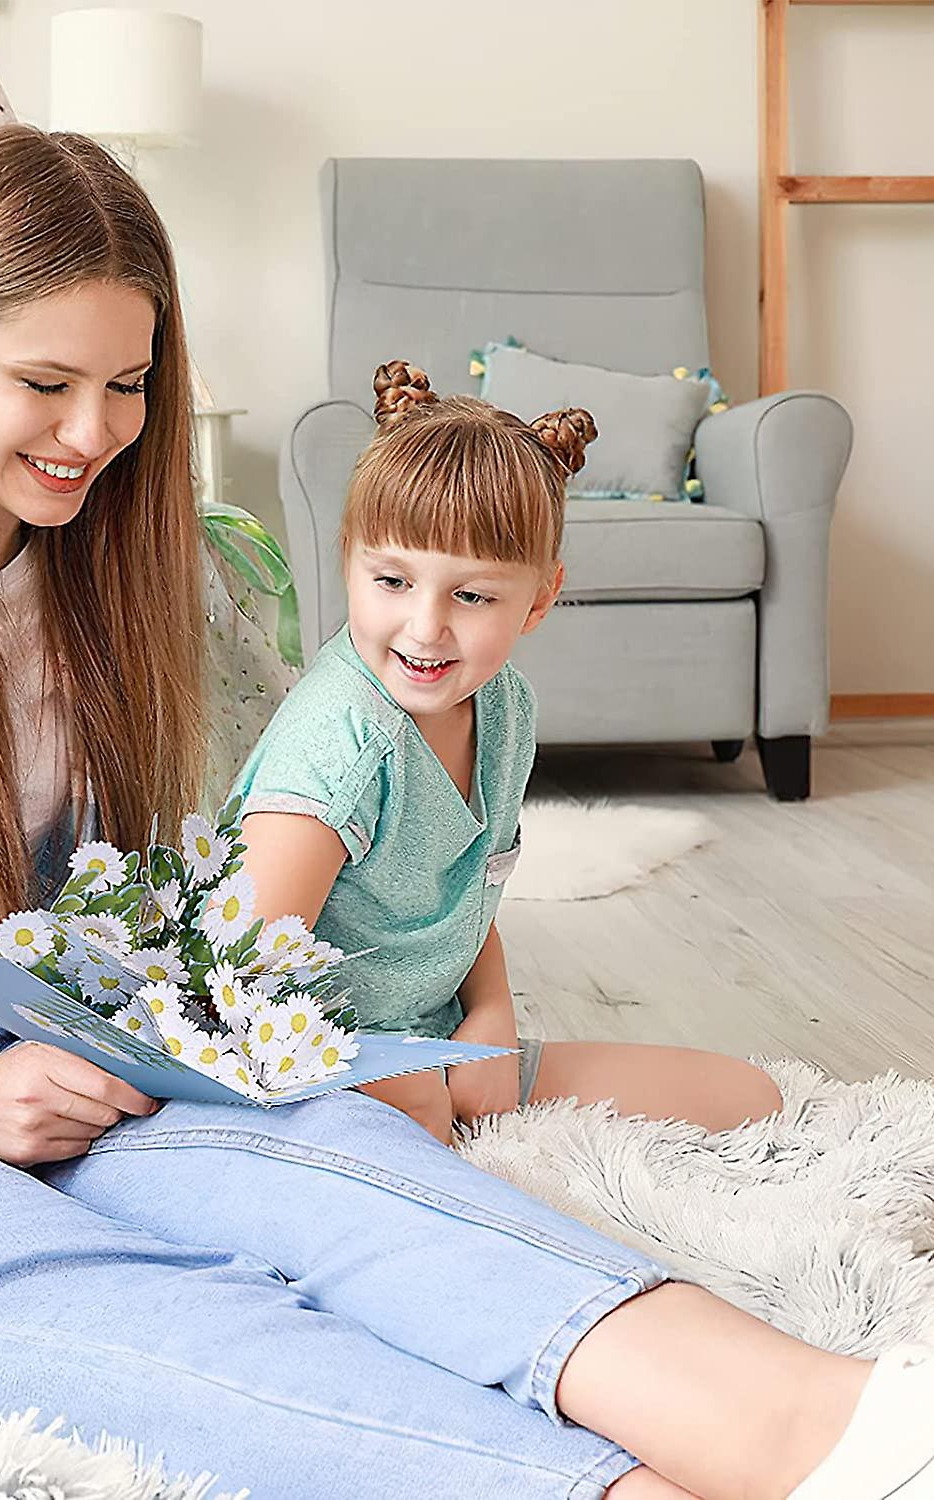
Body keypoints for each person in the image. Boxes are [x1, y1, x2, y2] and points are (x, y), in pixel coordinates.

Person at [0, 123, 934, 1500]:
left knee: (342, 1175)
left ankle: (826, 1421)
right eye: (45, 382)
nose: (95, 432)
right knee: (79, 1304)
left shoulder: (121, 566)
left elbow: (187, 875)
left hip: (30, 1028)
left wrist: (147, 1043)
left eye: (129, 385)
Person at [231, 361, 783, 1144]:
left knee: (746, 1095)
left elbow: (471, 893)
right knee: (421, 1116)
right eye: (392, 580)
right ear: (348, 557)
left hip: (432, 1035)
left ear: (541, 597)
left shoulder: (504, 707)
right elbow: (237, 985)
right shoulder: (341, 743)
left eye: (473, 595)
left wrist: (489, 1018)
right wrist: (384, 1076)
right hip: (297, 1054)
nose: (425, 628)